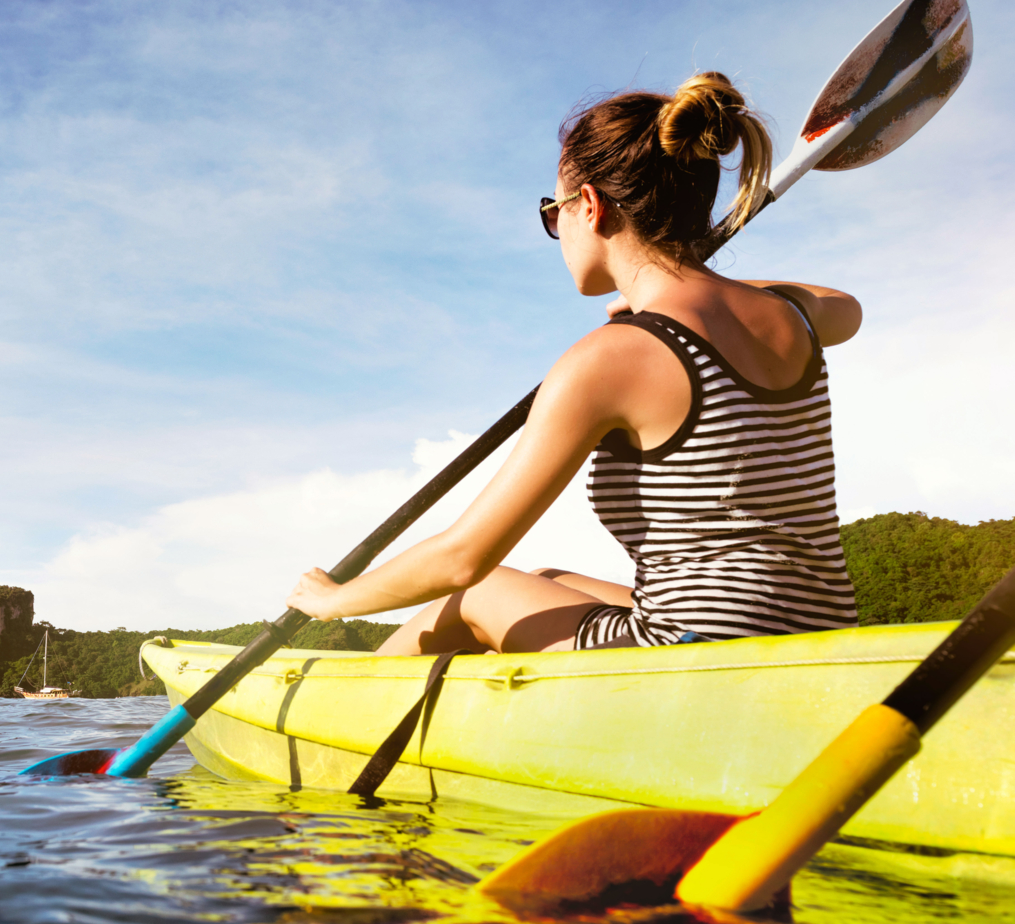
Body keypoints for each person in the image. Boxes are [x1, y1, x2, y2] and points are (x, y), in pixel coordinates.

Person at [286, 71, 862, 655]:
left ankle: (345, 724)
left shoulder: (611, 359)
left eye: (552, 210)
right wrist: (686, 288)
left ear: (588, 205)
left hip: (698, 647)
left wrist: (336, 600)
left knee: (473, 596)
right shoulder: (791, 318)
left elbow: (465, 558)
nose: (555, 228)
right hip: (818, 632)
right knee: (549, 582)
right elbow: (847, 309)